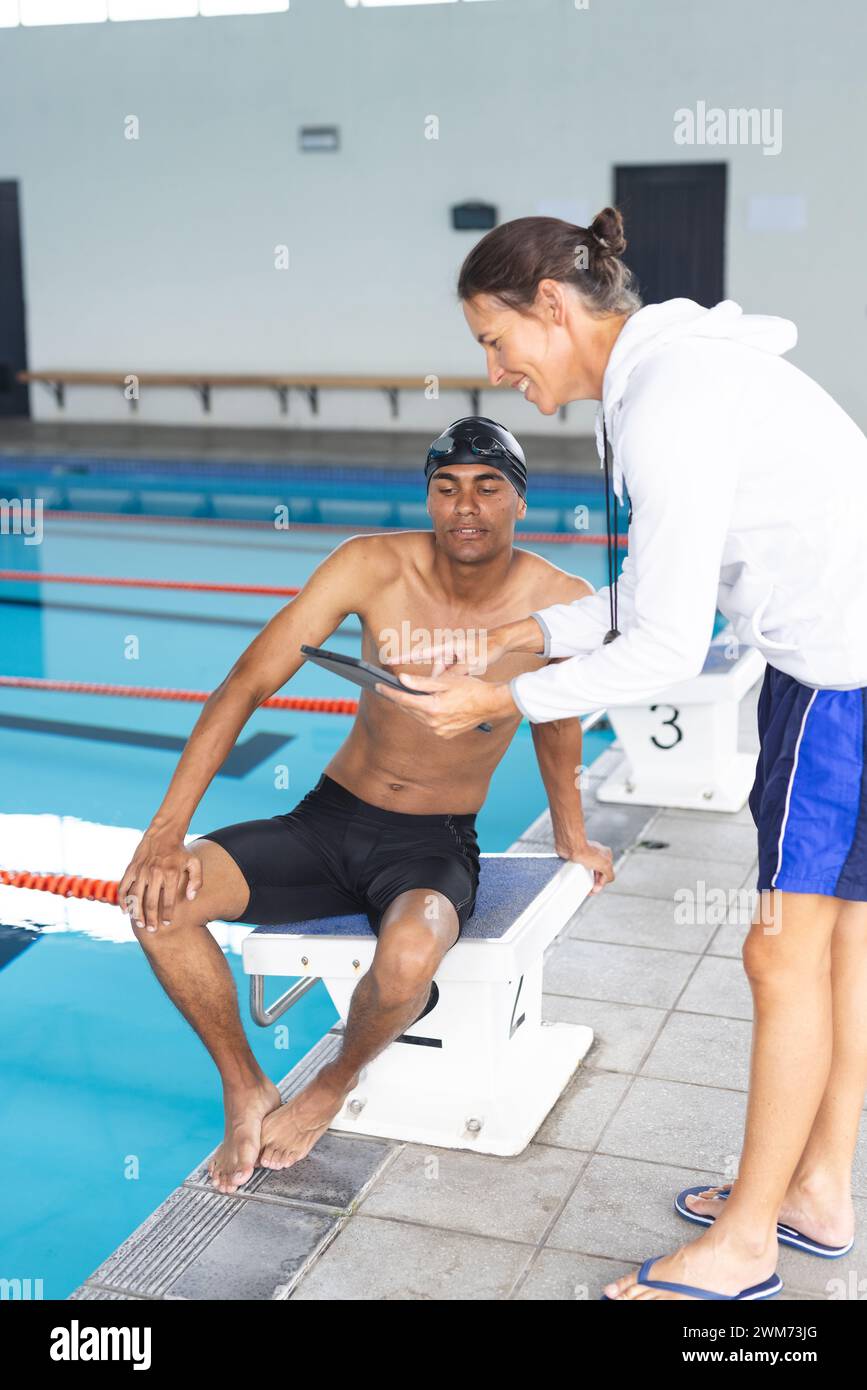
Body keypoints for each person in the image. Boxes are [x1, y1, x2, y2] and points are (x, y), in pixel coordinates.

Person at [378, 207, 867, 1301]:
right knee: (840, 948)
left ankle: (747, 1243)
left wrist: (496, 700)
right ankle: (820, 1189)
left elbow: (663, 644)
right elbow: (653, 595)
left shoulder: (666, 400)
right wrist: (522, 632)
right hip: (847, 662)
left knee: (782, 955)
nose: (498, 371)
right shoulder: (677, 371)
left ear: (552, 307)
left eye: (496, 342)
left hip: (844, 683)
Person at [118, 416, 614, 1196]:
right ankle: (243, 1083)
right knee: (155, 903)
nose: (465, 507)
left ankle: (332, 1080)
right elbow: (245, 685)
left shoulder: (560, 603)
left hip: (431, 845)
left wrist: (571, 837)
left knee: (413, 954)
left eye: (488, 488)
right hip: (325, 821)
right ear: (427, 498)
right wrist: (164, 832)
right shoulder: (369, 566)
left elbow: (557, 728)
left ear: (519, 502)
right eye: (446, 488)